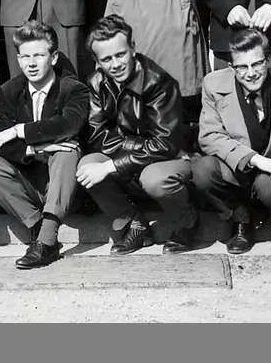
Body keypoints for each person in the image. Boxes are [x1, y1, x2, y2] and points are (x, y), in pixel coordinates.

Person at [77, 15, 198, 255]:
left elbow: (165, 145)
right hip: (136, 156)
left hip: (169, 160)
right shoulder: (97, 82)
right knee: (87, 166)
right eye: (106, 59)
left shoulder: (159, 83)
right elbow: (97, 135)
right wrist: (129, 154)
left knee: (154, 179)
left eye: (120, 54)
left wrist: (112, 165)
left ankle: (187, 221)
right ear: (97, 61)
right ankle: (135, 223)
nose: (115, 64)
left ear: (133, 48)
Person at [0, 21, 90, 270]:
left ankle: (46, 241)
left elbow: (69, 124)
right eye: (25, 57)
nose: (32, 63)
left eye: (39, 55)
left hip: (66, 187)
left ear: (53, 57)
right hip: (29, 184)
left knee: (67, 149)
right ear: (18, 60)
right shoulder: (9, 90)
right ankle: (39, 228)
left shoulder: (73, 89)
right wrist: (33, 149)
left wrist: (19, 130)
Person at [194, 28, 271, 253]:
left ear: (268, 60)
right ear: (231, 67)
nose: (251, 73)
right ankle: (241, 219)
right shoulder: (213, 85)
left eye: (257, 64)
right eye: (242, 67)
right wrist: (255, 159)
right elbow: (210, 136)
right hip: (243, 166)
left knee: (268, 187)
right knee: (203, 170)